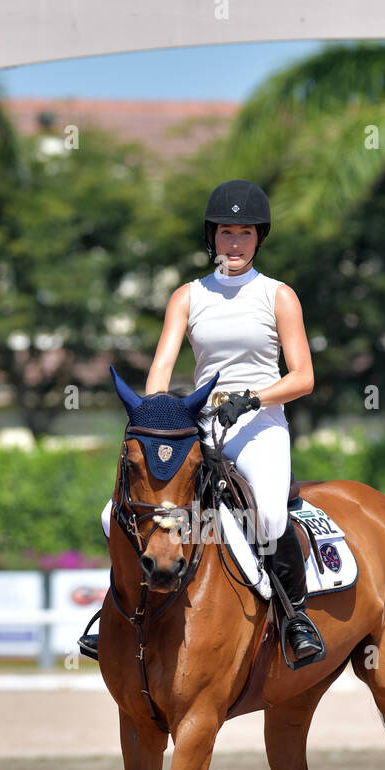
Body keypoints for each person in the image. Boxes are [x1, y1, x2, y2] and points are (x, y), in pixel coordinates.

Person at [80, 178, 325, 667]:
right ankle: (120, 610)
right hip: (199, 426)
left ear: (259, 239)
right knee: (116, 514)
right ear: (211, 237)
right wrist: (155, 414)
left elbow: (303, 377)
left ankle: (295, 617)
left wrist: (251, 400)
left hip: (260, 427)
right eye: (226, 233)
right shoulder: (188, 296)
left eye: (245, 234)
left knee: (271, 517)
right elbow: (162, 367)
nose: (235, 244)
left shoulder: (278, 296)